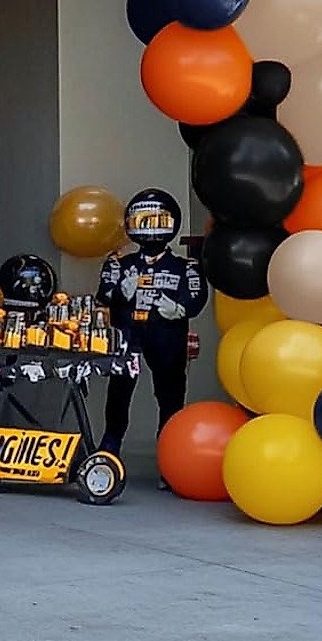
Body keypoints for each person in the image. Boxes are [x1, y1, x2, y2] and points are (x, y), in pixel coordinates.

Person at [95, 188, 207, 484]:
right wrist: (122, 292)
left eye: (157, 218)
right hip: (127, 335)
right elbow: (103, 295)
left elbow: (195, 297)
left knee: (170, 397)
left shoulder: (185, 266)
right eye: (142, 219)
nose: (150, 226)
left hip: (166, 337)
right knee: (119, 393)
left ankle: (170, 459)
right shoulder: (120, 264)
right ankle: (110, 447)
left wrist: (179, 308)